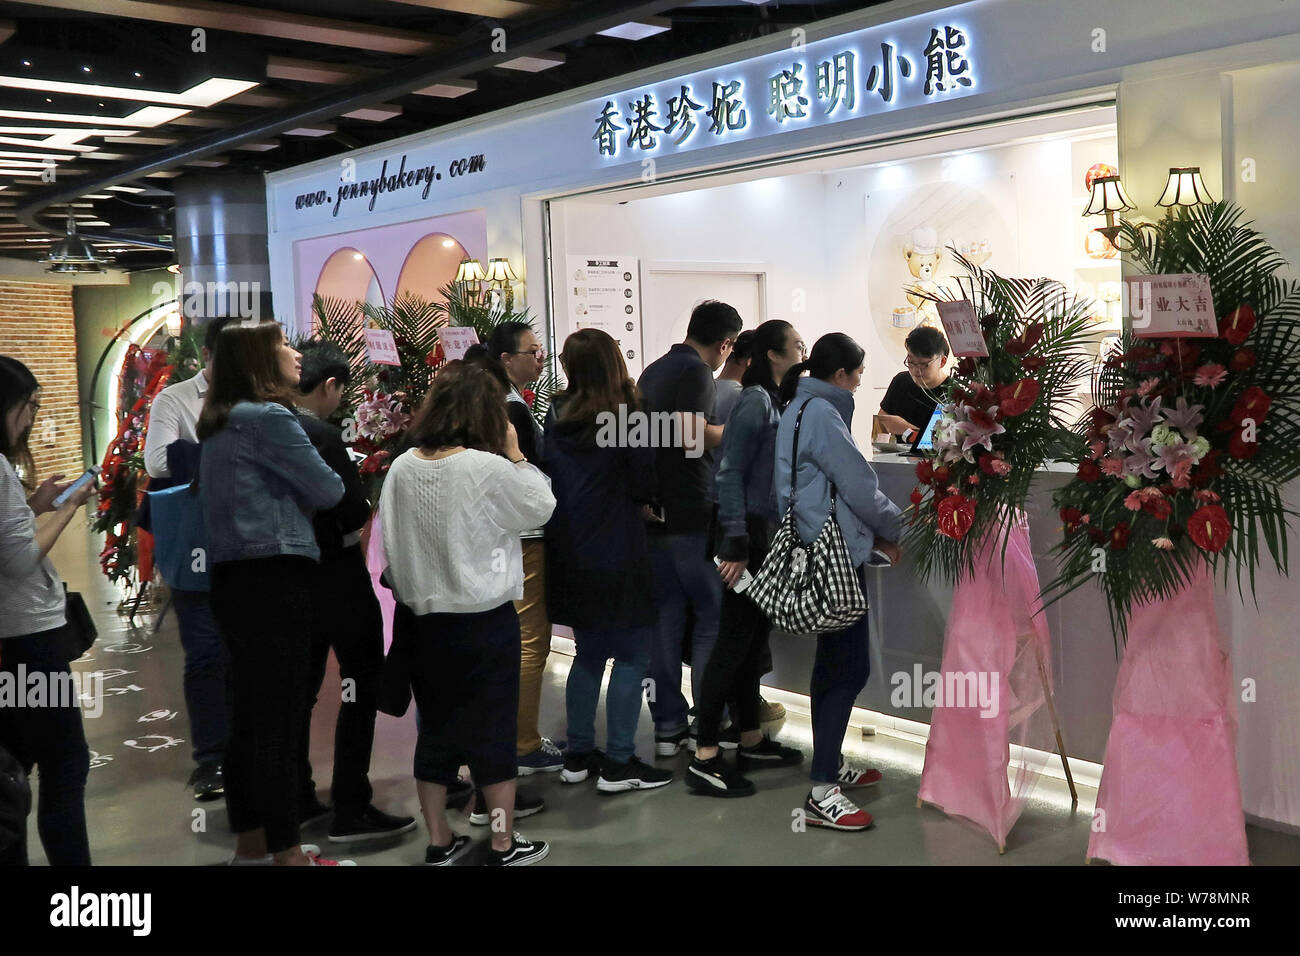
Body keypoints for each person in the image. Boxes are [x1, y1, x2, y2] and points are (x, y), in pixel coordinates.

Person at [380, 361, 556, 866]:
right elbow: (541, 507)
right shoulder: (489, 468)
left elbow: (392, 545)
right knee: (493, 733)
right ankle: (502, 842)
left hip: (421, 623)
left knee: (434, 732)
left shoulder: (400, 467)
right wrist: (517, 454)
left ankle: (439, 843)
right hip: (483, 622)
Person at [197, 322, 350, 866]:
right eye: (284, 345)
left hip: (236, 580)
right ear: (262, 361)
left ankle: (254, 845)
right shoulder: (269, 418)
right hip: (275, 579)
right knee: (280, 721)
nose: (295, 353)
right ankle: (287, 853)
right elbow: (330, 489)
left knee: (250, 717)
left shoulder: (220, 418)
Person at [774, 333, 904, 831]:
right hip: (833, 559)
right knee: (848, 669)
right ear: (841, 376)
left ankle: (827, 766)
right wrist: (898, 528)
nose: (859, 384)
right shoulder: (825, 416)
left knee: (834, 667)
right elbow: (859, 486)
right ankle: (823, 788)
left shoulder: (798, 409)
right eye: (858, 375)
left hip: (814, 551)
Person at [293, 341, 417, 843]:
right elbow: (352, 512)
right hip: (337, 577)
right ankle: (351, 802)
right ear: (330, 387)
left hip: (289, 580)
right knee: (360, 682)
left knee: (298, 692)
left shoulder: (248, 430)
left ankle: (297, 796)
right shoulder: (319, 436)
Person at [543, 330, 672, 794]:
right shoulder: (627, 415)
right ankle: (619, 762)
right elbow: (644, 482)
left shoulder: (555, 413)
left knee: (588, 654)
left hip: (569, 549)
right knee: (634, 654)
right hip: (619, 546)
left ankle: (578, 755)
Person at [689, 320, 807, 796]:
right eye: (796, 345)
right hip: (745, 538)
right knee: (734, 641)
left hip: (763, 536)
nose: (803, 349)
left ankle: (750, 737)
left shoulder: (772, 399)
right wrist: (734, 541)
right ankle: (705, 753)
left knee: (752, 639)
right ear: (774, 355)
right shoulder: (754, 401)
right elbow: (730, 473)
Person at [0, 355, 95, 866]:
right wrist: (67, 510)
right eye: (29, 405)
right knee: (64, 762)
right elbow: (18, 558)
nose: (32, 418)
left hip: (13, 642)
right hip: (26, 642)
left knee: (15, 765)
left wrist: (33, 504)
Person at [637, 300, 742, 756]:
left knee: (664, 621)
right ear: (725, 344)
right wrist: (734, 431)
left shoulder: (652, 371)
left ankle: (667, 726)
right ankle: (708, 725)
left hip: (654, 515)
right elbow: (690, 434)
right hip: (691, 515)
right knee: (710, 620)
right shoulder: (699, 374)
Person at [141, 316, 235, 801]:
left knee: (247, 650)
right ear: (213, 356)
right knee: (204, 650)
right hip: (195, 542)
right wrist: (229, 453)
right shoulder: (175, 398)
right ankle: (211, 759)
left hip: (248, 543)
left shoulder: (258, 398)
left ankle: (249, 749)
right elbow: (157, 462)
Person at [485, 322, 561, 776]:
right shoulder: (509, 409)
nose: (540, 359)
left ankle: (513, 738)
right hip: (523, 536)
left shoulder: (504, 403)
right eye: (532, 352)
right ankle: (523, 742)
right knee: (531, 641)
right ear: (505, 360)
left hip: (505, 537)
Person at [877, 325, 951, 442]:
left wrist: (906, 430)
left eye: (923, 364)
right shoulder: (901, 382)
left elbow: (942, 445)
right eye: (911, 362)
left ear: (942, 361)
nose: (916, 370)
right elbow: (880, 426)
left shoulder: (952, 392)